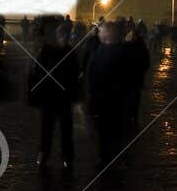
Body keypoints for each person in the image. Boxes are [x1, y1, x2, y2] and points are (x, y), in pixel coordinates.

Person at [28, 17, 81, 168]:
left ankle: (67, 155)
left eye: (66, 35)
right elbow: (36, 74)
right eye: (61, 35)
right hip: (49, 96)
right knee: (47, 128)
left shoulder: (70, 52)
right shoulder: (45, 51)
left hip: (65, 96)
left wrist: (74, 90)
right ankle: (44, 153)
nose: (64, 38)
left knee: (66, 128)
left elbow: (76, 73)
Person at [85, 20, 139, 167]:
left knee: (108, 130)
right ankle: (113, 156)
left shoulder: (102, 53)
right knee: (114, 130)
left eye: (101, 32)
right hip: (115, 101)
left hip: (110, 101)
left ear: (108, 35)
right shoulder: (124, 52)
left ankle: (107, 157)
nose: (99, 35)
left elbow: (91, 79)